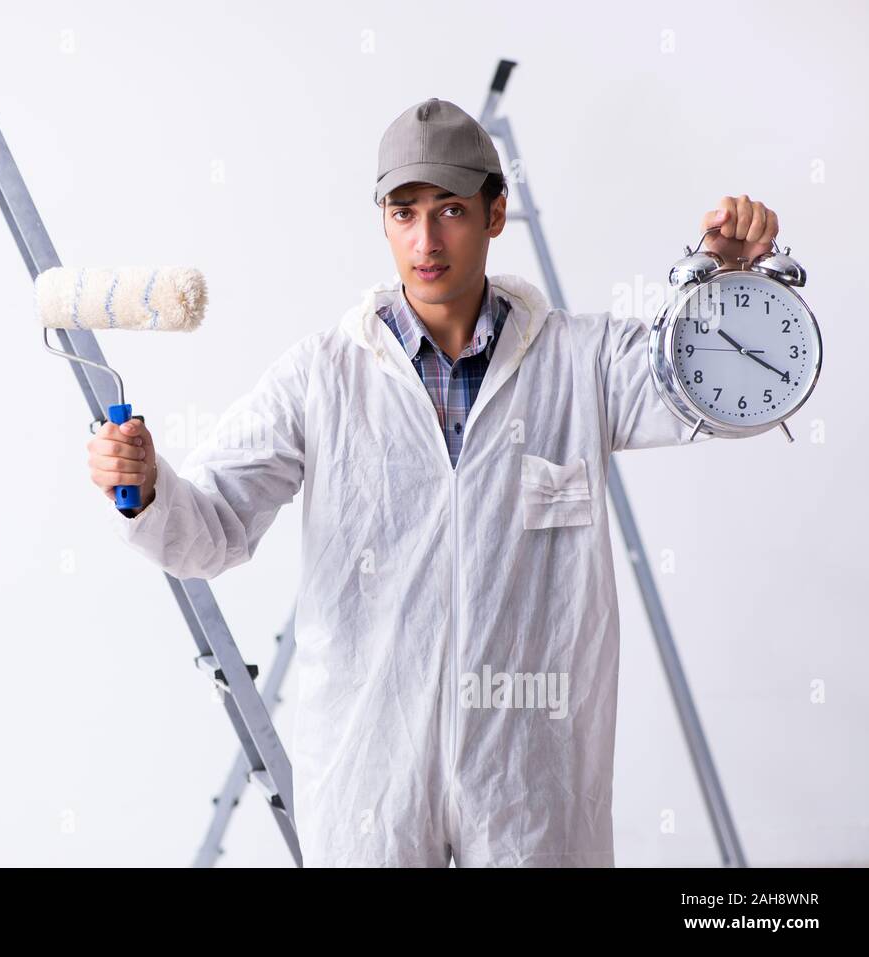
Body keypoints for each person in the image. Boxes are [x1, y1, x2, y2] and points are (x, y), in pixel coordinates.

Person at [86, 97, 780, 867]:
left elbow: (716, 395)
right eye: (404, 211)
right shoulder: (321, 376)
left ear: (495, 213)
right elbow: (211, 528)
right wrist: (148, 486)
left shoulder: (581, 362)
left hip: (533, 775)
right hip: (369, 777)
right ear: (382, 218)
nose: (425, 240)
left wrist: (730, 279)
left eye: (450, 209)